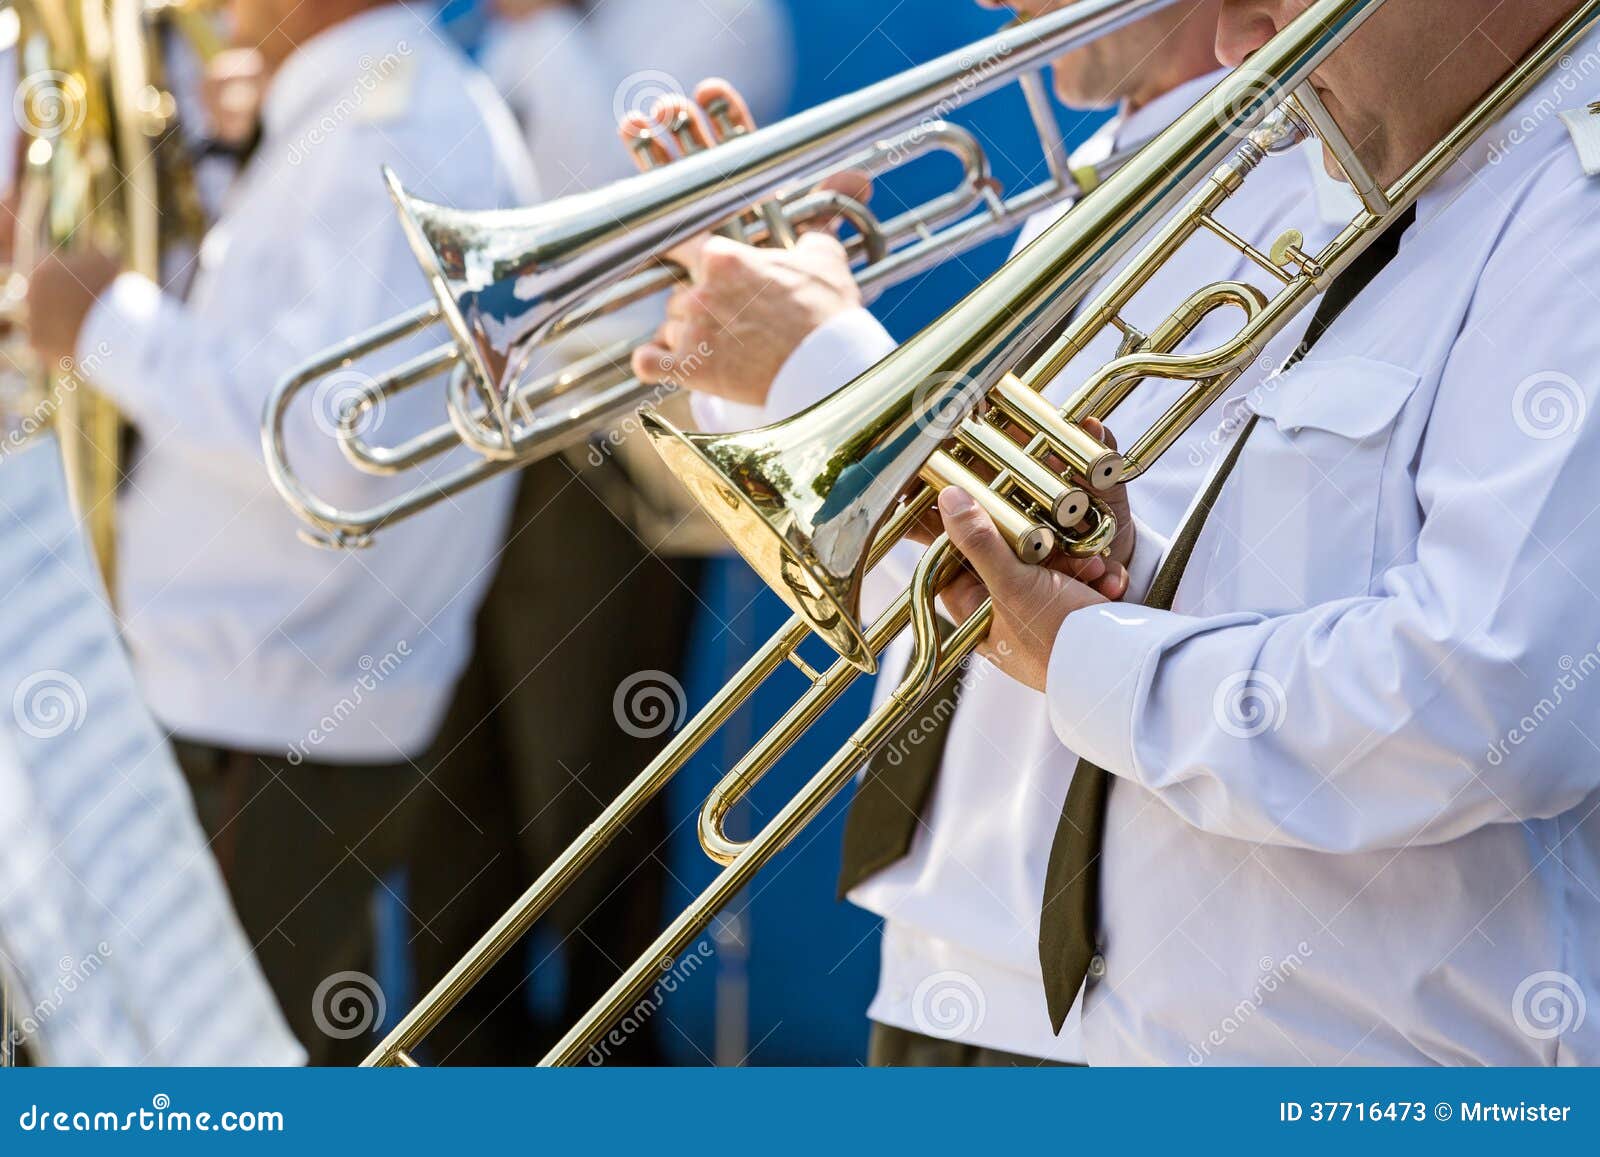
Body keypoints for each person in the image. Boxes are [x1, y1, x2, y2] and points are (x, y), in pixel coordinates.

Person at [630, 0, 1354, 1064]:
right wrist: (763, 361)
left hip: (1102, 1001)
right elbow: (923, 606)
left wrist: (822, 359)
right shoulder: (1112, 175)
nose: (992, 2)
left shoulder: (1284, 199)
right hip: (943, 953)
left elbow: (1105, 586)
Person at [923, 0, 1600, 1064]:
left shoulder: (1572, 198)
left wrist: (1084, 655)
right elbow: (1319, 586)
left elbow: (1486, 694)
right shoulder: (1424, 172)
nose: (1234, 38)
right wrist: (1112, 574)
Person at [19, 0, 536, 1064]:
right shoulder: (366, 107)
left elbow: (341, 430)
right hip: (250, 701)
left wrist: (105, 325)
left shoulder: (389, 127)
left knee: (216, 1078)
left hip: (266, 714)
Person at [401, 1, 791, 1067]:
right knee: (452, 799)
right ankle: (457, 1057)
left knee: (587, 795)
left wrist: (542, 22)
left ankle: (606, 1069)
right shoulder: (517, 30)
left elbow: (598, 210)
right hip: (476, 445)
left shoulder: (719, 20)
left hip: (611, 458)